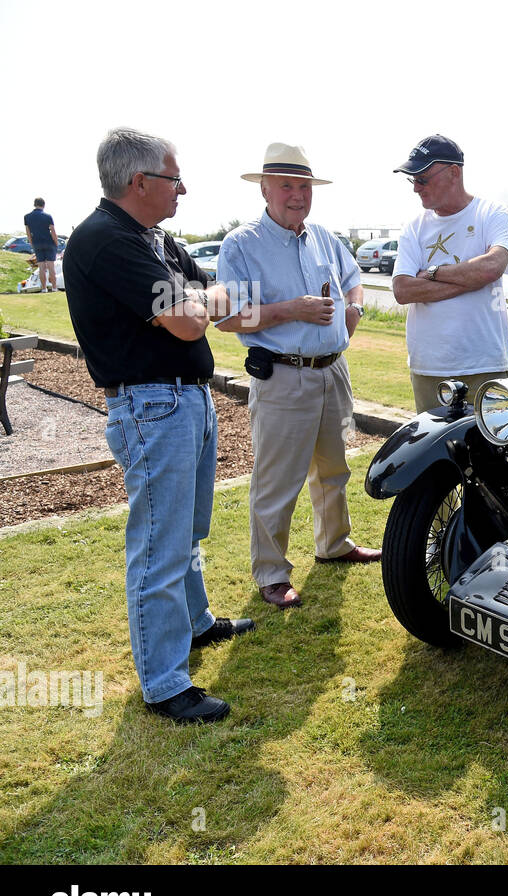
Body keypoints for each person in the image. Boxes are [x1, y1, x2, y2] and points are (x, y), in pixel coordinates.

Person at [61, 128, 254, 724]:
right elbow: (192, 320)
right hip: (152, 408)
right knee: (159, 546)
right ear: (139, 182)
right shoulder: (105, 241)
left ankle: (195, 625)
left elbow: (221, 295)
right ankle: (166, 682)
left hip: (184, 401)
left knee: (187, 530)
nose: (183, 189)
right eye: (174, 179)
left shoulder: (154, 239)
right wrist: (199, 303)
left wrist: (200, 301)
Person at [217, 143, 380, 610]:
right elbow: (229, 320)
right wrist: (293, 310)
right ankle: (271, 573)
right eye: (286, 185)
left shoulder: (325, 237)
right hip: (283, 377)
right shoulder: (242, 245)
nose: (297, 195)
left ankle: (334, 544)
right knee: (277, 481)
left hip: (333, 372)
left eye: (304, 186)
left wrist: (354, 310)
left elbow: (354, 279)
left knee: (334, 469)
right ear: (264, 189)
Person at [390, 134, 508, 412]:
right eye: (413, 180)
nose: (416, 188)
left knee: (492, 454)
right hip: (429, 369)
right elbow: (403, 290)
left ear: (453, 173)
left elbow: (493, 266)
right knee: (434, 454)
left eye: (422, 179)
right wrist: (472, 279)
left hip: (485, 365)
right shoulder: (413, 227)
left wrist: (431, 272)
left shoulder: (491, 212)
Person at [23, 198, 58, 292]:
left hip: (37, 243)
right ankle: (54, 287)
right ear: (43, 205)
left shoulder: (27, 217)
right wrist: (56, 242)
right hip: (49, 243)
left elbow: (28, 233)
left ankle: (43, 288)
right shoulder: (47, 216)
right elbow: (53, 231)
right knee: (51, 266)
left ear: (35, 204)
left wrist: (32, 244)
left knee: (41, 267)